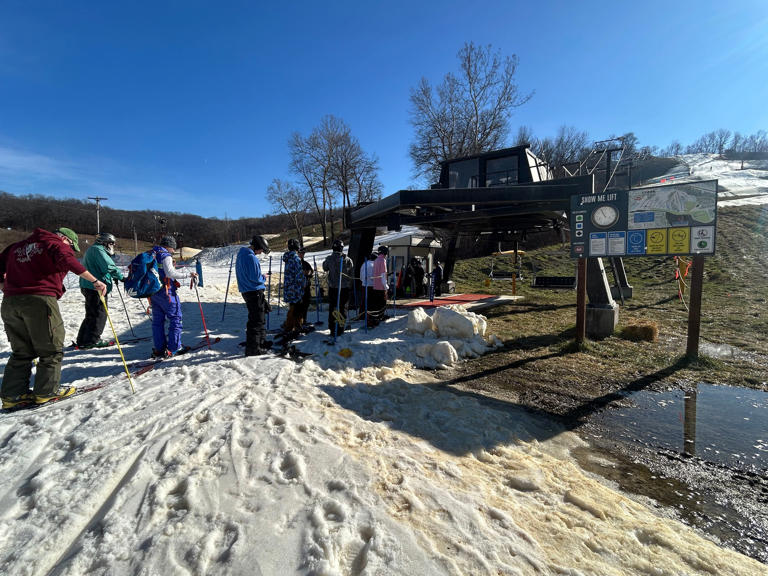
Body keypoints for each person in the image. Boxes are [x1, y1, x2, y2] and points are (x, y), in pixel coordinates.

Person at [0, 227, 107, 408]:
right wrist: (95, 281)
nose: (70, 250)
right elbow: (69, 261)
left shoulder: (16, 247)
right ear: (65, 239)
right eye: (71, 247)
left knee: (21, 350)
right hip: (40, 300)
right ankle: (46, 392)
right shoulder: (55, 244)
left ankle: (13, 395)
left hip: (10, 302)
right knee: (51, 347)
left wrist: (5, 287)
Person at [150, 235, 197, 358]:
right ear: (169, 246)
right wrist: (188, 275)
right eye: (173, 248)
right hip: (167, 292)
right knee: (176, 318)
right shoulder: (165, 255)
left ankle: (159, 348)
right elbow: (170, 273)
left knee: (157, 321)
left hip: (153, 292)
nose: (173, 251)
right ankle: (174, 347)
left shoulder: (152, 253)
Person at [76, 232, 125, 349]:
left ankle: (83, 340)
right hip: (96, 287)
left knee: (91, 313)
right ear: (105, 242)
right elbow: (109, 266)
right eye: (111, 243)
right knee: (99, 314)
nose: (112, 246)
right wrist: (121, 277)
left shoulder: (93, 249)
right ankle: (92, 340)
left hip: (88, 285)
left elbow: (100, 267)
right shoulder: (98, 250)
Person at [236, 235, 272, 356]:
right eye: (261, 249)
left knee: (259, 317)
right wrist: (263, 277)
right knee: (256, 320)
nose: (261, 252)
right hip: (253, 291)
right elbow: (255, 278)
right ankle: (254, 348)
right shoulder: (251, 258)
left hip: (247, 290)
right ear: (257, 246)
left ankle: (260, 342)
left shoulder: (241, 255)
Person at [322, 239, 354, 337]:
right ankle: (340, 328)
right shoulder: (347, 260)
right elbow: (351, 274)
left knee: (333, 308)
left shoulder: (329, 259)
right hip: (344, 288)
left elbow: (325, 268)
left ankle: (332, 328)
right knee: (342, 308)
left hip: (333, 288)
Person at [279, 238, 305, 341]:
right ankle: (291, 327)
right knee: (297, 308)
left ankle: (294, 326)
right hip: (295, 288)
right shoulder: (295, 259)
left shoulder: (288, 258)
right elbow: (299, 276)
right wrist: (304, 284)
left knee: (293, 307)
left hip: (289, 287)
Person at [369, 245, 389, 325]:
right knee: (382, 303)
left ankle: (376, 317)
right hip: (381, 286)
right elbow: (383, 274)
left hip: (375, 285)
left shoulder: (376, 260)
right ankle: (381, 316)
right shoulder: (383, 260)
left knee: (376, 303)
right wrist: (385, 286)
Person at [296, 246, 314, 329]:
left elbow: (311, 271)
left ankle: (304, 320)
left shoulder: (306, 263)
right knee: (298, 305)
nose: (302, 254)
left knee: (306, 303)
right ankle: (297, 321)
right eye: (301, 253)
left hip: (306, 287)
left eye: (303, 253)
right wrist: (302, 273)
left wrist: (309, 273)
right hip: (298, 288)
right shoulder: (295, 263)